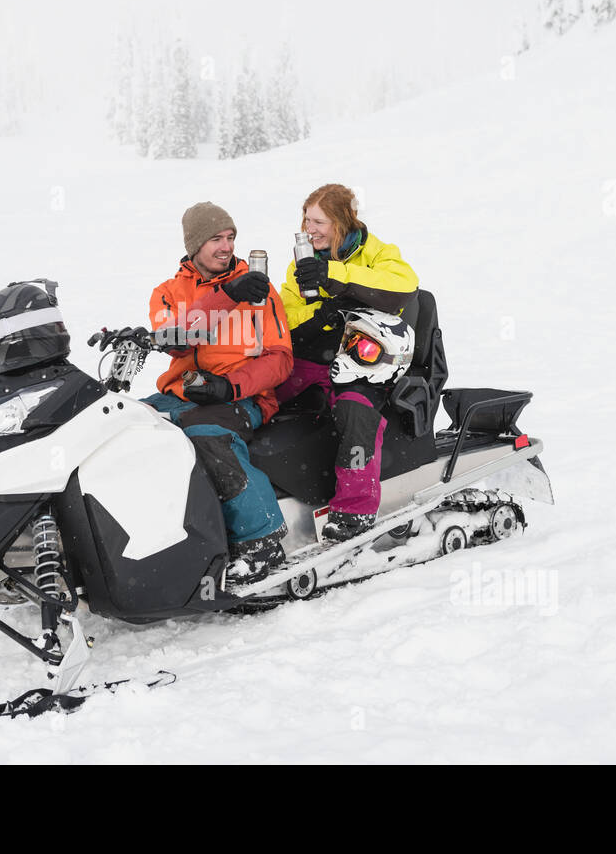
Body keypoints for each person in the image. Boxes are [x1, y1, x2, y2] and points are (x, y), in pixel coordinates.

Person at [140, 201, 294, 585]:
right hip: (180, 395)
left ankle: (263, 539)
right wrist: (226, 295)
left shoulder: (261, 290)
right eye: (215, 239)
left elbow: (281, 359)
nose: (226, 246)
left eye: (230, 238)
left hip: (245, 398)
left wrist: (231, 386)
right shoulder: (167, 292)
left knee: (207, 436)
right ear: (194, 245)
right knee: (127, 428)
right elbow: (175, 341)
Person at [278, 183, 419, 542]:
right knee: (259, 392)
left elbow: (403, 284)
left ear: (342, 221)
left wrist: (337, 279)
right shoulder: (304, 261)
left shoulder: (377, 253)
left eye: (319, 221)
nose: (310, 229)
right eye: (306, 220)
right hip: (314, 356)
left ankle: (355, 510)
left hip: (368, 361)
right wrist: (318, 316)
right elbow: (287, 314)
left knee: (357, 409)